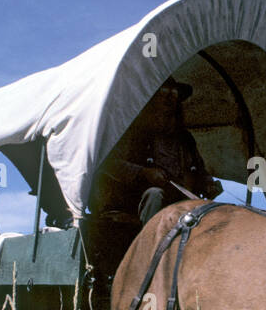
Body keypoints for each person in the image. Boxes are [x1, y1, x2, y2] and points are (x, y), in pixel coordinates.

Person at [92, 78, 223, 223]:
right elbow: (109, 164)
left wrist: (209, 184)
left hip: (181, 199)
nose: (169, 99)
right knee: (155, 194)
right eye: (164, 93)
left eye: (174, 94)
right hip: (136, 200)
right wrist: (143, 172)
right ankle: (148, 243)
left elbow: (199, 169)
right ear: (150, 99)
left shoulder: (185, 139)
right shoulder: (134, 133)